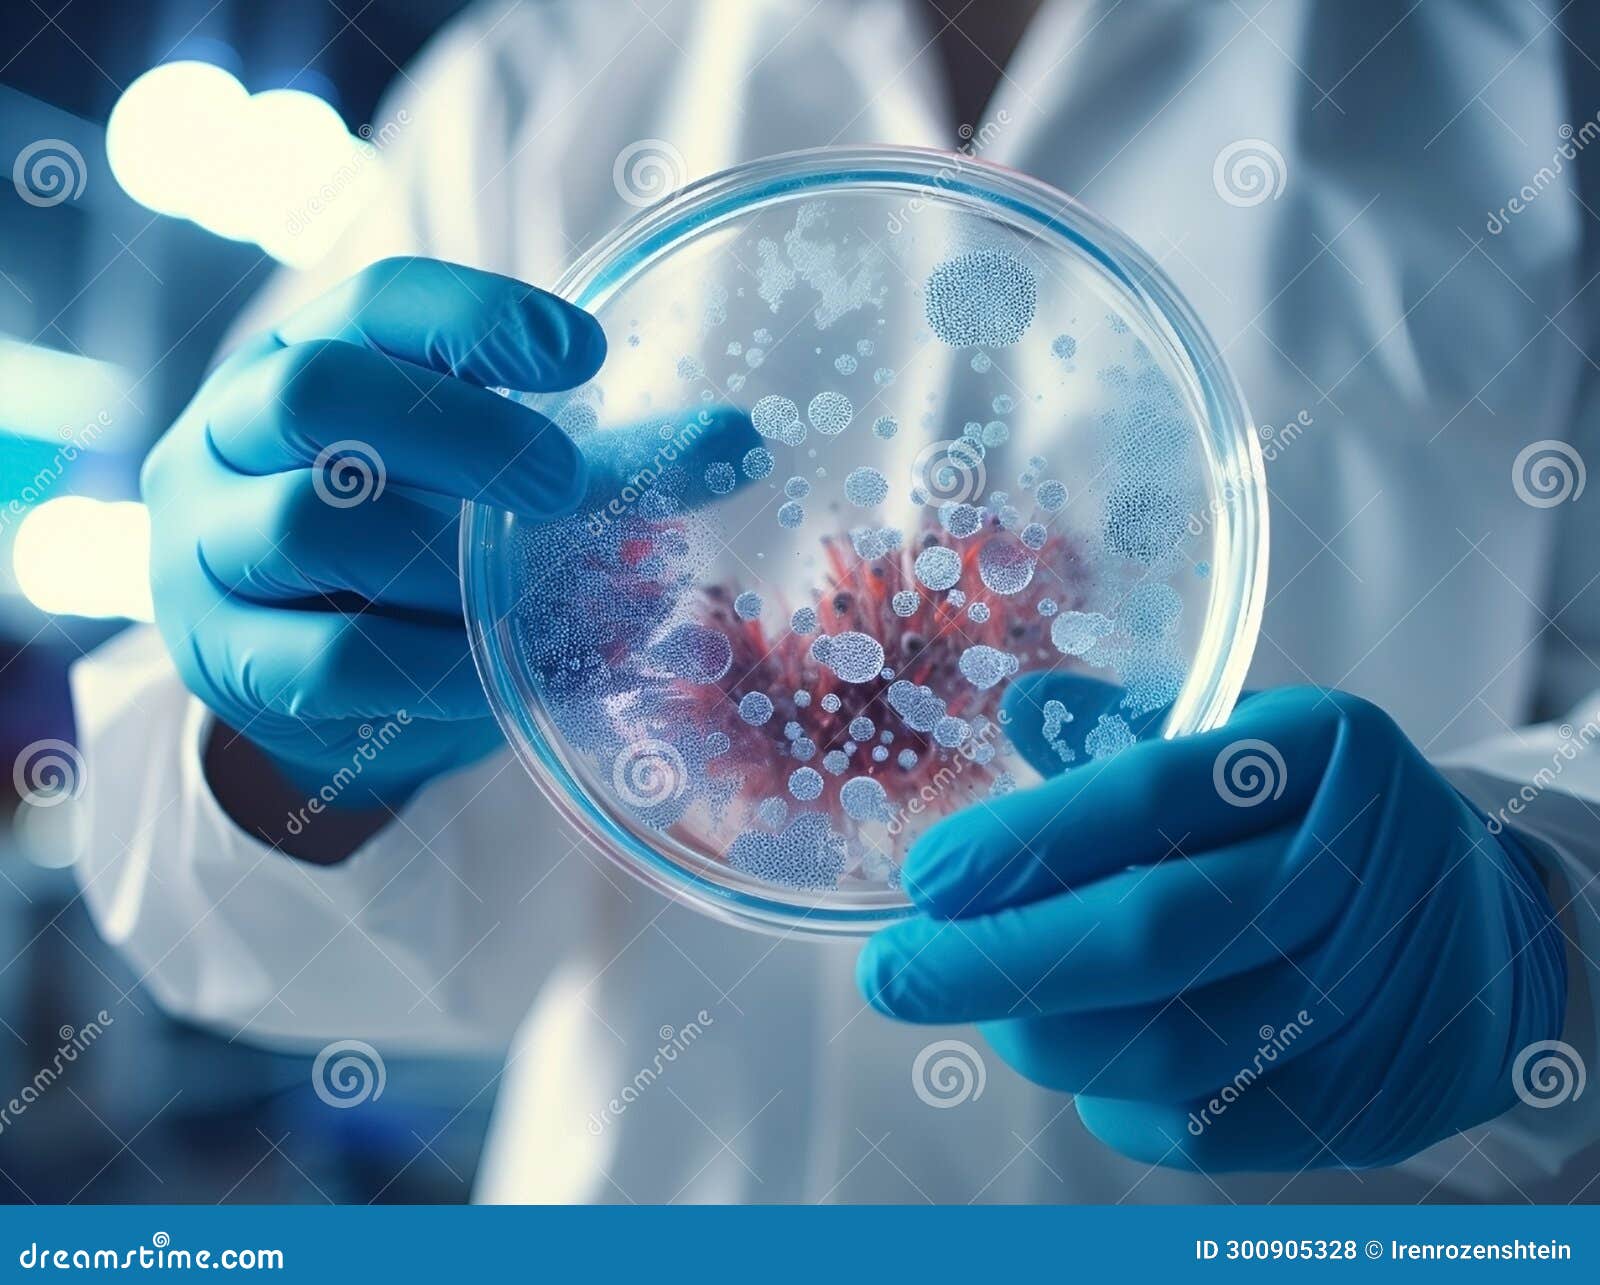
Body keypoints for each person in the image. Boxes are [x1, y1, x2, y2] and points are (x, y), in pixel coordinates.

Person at [72, 0, 1600, 1203]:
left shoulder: (1529, 79)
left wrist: (1534, 933)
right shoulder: (534, 85)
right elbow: (240, 919)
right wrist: (300, 755)